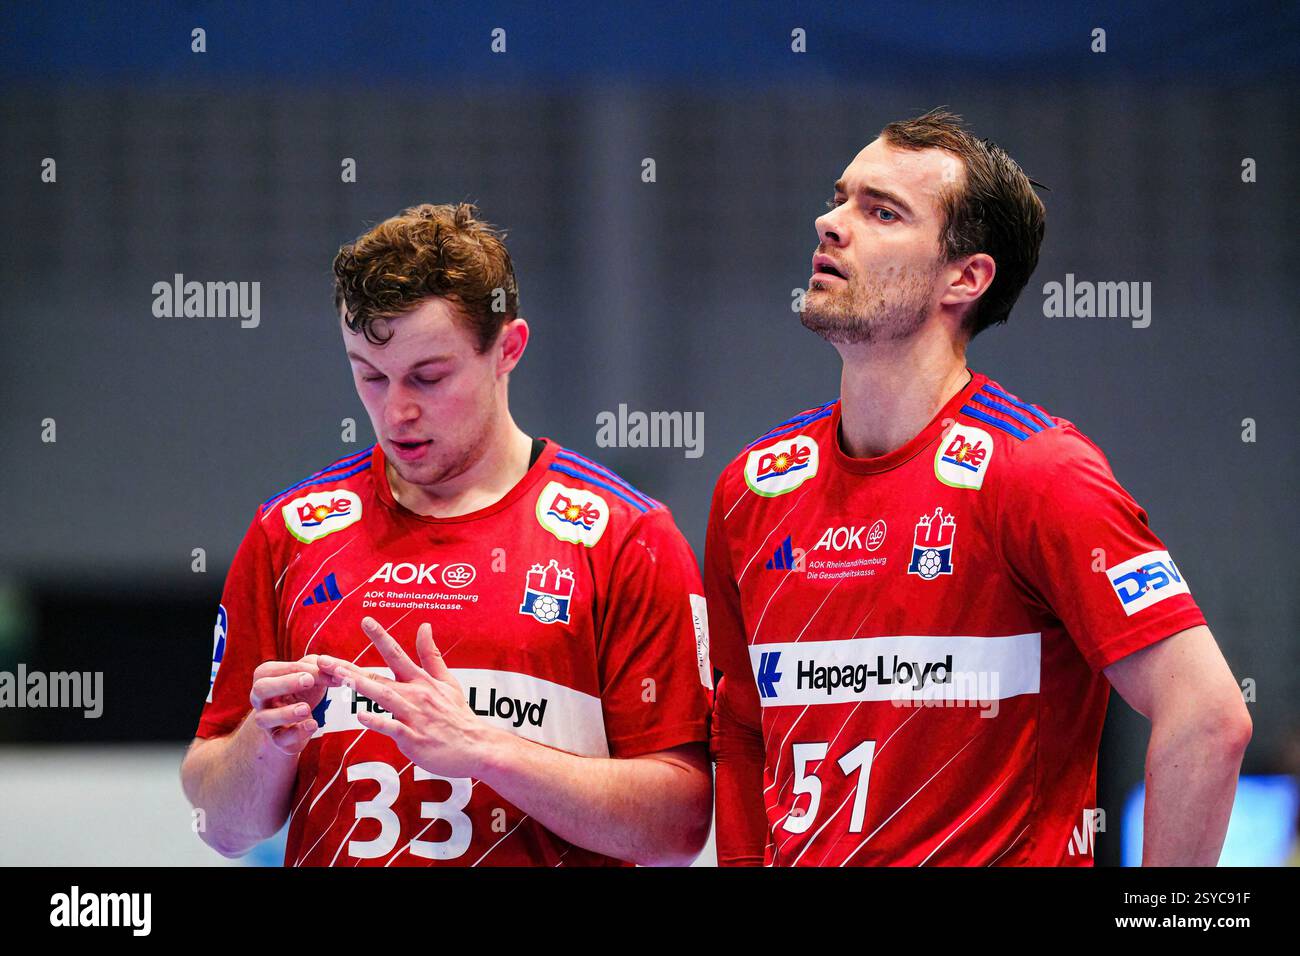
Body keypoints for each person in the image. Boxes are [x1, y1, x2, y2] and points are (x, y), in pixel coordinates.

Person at [706, 110, 1251, 866]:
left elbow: (1209, 717)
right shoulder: (752, 489)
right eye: (840, 198)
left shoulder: (1040, 473)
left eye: (881, 210)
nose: (830, 223)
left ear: (965, 278)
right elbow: (738, 728)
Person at [181, 202, 712, 867]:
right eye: (370, 375)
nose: (396, 410)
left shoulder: (625, 537)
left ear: (508, 350)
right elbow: (222, 827)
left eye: (429, 378)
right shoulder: (290, 533)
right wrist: (265, 743)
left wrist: (486, 748)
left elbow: (680, 828)